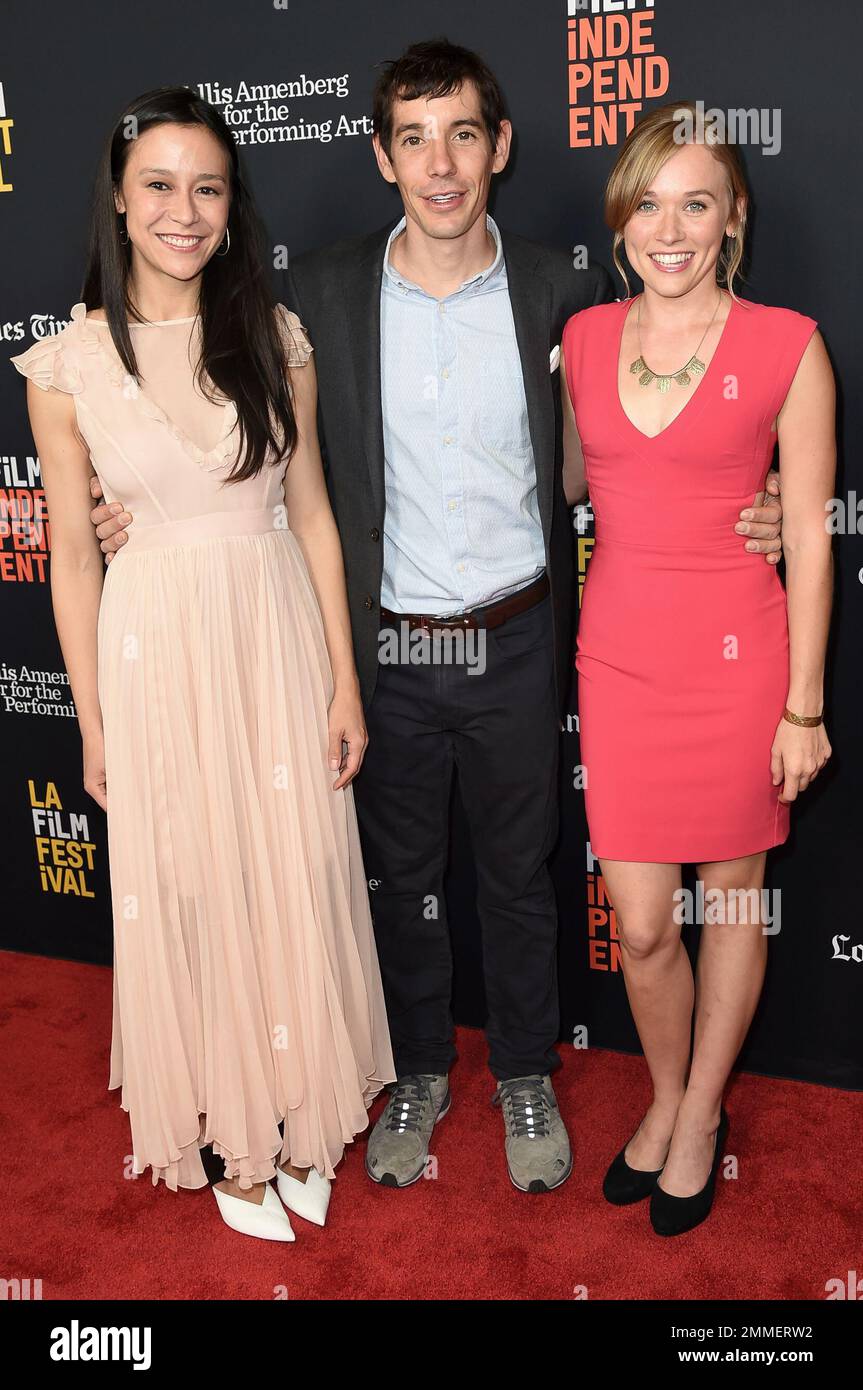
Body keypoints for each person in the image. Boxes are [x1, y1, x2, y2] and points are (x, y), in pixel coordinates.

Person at [88, 43, 786, 1196]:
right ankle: (418, 1067)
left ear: (499, 146)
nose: (440, 163)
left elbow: (639, 439)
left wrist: (757, 506)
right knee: (399, 870)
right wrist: (129, 498)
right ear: (380, 155)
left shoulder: (564, 289)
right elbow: (203, 386)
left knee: (519, 874)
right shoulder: (313, 287)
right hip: (382, 641)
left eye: (462, 133)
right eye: (413, 137)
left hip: (515, 630)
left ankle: (522, 1071)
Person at [11, 87, 395, 1242]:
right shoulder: (65, 366)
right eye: (160, 186)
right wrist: (91, 720)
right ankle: (234, 1139)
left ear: (232, 209)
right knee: (193, 885)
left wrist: (340, 676)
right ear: (119, 203)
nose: (185, 211)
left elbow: (315, 516)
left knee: (292, 869)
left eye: (208, 188)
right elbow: (72, 558)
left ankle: (302, 1111)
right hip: (153, 651)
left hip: (272, 633)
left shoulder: (276, 337)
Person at [560, 100, 835, 1235]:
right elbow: (577, 483)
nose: (666, 229)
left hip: (739, 662)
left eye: (694, 204)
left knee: (730, 899)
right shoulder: (580, 336)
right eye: (646, 204)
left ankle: (702, 1111)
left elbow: (811, 528)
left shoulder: (786, 342)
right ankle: (664, 1092)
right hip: (618, 656)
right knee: (641, 921)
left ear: (729, 222)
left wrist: (802, 704)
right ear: (621, 219)